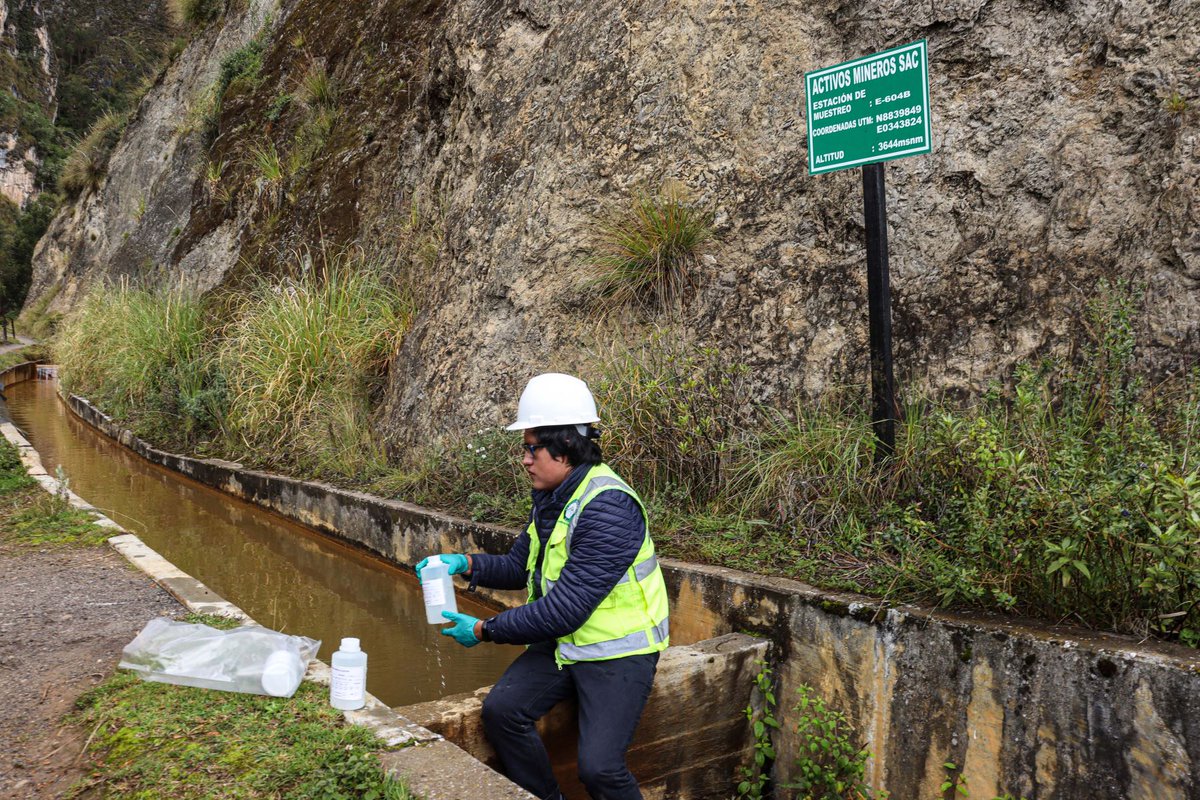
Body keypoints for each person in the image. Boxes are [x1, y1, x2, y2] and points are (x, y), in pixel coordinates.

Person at [416, 372, 669, 800]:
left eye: (532, 448)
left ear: (566, 445)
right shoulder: (556, 498)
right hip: (566, 643)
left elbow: (563, 610)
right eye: (524, 449)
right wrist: (463, 563)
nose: (525, 459)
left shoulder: (607, 507)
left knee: (600, 769)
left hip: (618, 652)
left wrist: (484, 630)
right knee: (502, 711)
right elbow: (520, 566)